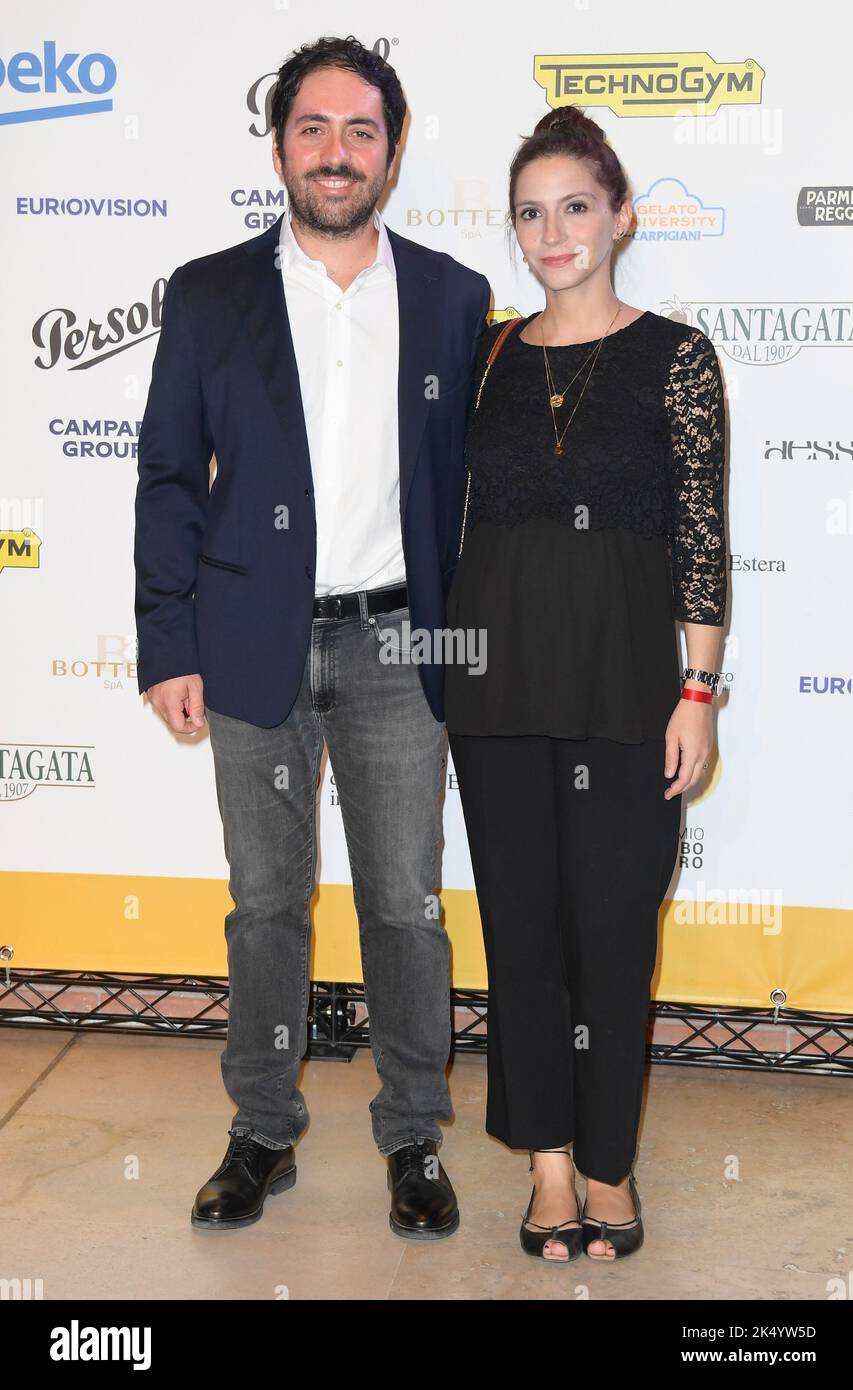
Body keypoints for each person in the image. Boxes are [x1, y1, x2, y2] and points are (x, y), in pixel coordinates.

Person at [133, 35, 490, 1238]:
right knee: (265, 904)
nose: (335, 154)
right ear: (279, 143)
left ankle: (410, 1135)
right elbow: (170, 477)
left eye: (360, 132)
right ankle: (262, 1129)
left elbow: (463, 495)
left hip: (400, 646)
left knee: (404, 905)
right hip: (248, 645)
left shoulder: (449, 296)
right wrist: (166, 639)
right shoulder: (207, 292)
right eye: (313, 129)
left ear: (390, 154)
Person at [444, 106, 728, 1262]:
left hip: (623, 690)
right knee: (520, 934)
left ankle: (608, 1162)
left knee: (612, 933)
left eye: (573, 206)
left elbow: (702, 539)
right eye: (528, 211)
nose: (550, 231)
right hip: (494, 688)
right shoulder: (487, 356)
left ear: (619, 216)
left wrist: (696, 694)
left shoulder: (675, 358)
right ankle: (548, 1169)